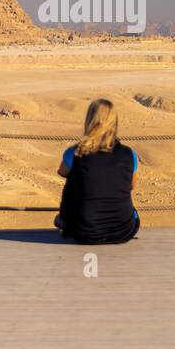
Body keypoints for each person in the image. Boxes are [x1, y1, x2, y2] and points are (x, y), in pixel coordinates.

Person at [55, 98, 140, 244]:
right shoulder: (129, 154)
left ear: (89, 120)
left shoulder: (75, 152)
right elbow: (131, 185)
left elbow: (62, 172)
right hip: (123, 230)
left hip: (83, 232)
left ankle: (66, 219)